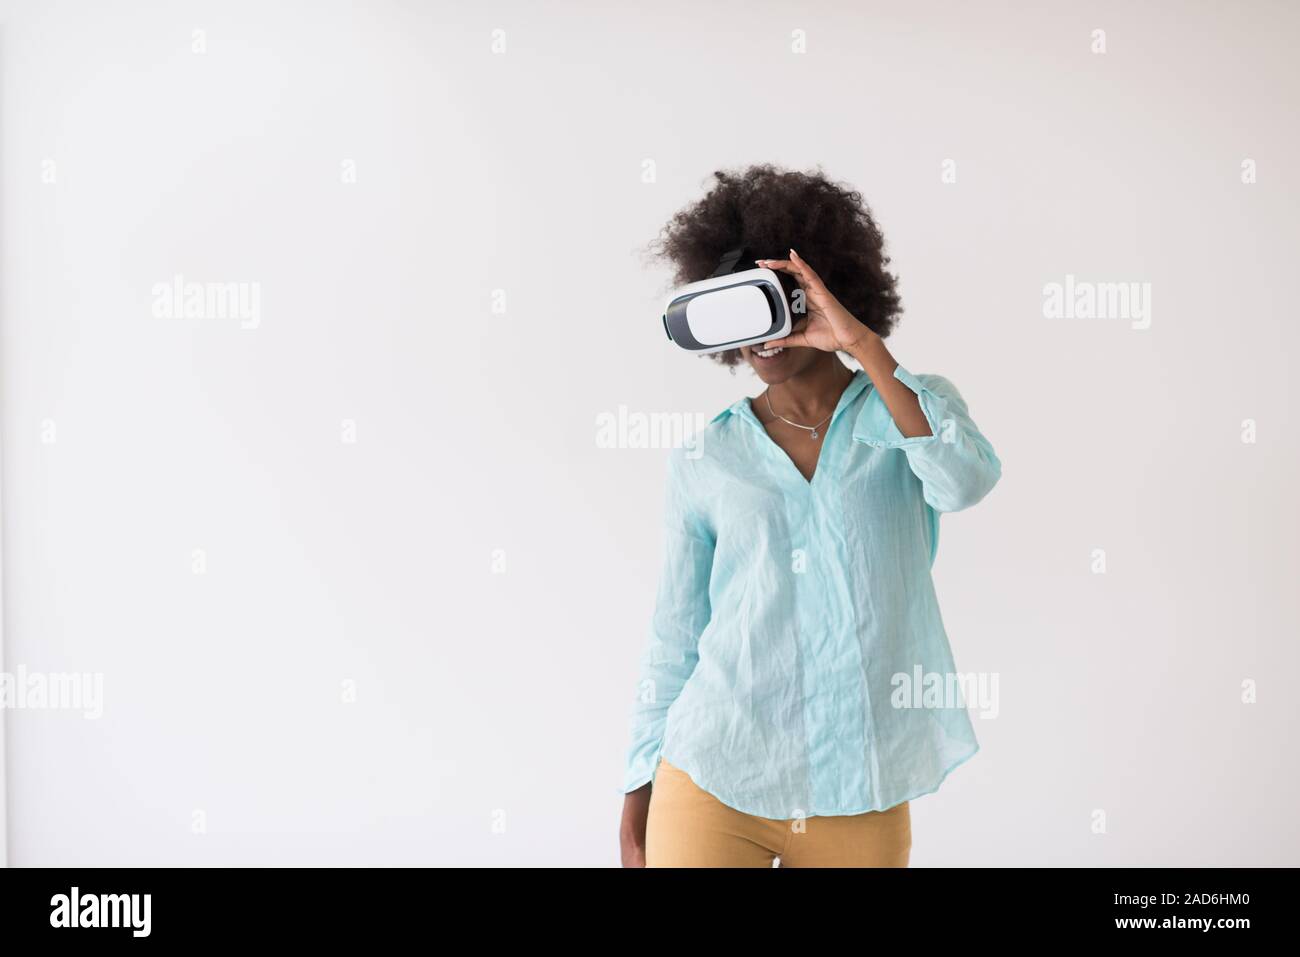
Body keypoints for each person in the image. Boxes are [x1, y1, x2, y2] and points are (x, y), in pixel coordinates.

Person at [618, 164, 1002, 867]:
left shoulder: (906, 409)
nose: (757, 334)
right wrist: (638, 779)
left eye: (773, 301)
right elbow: (675, 633)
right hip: (714, 772)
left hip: (862, 783)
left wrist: (862, 346)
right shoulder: (707, 457)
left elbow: (965, 480)